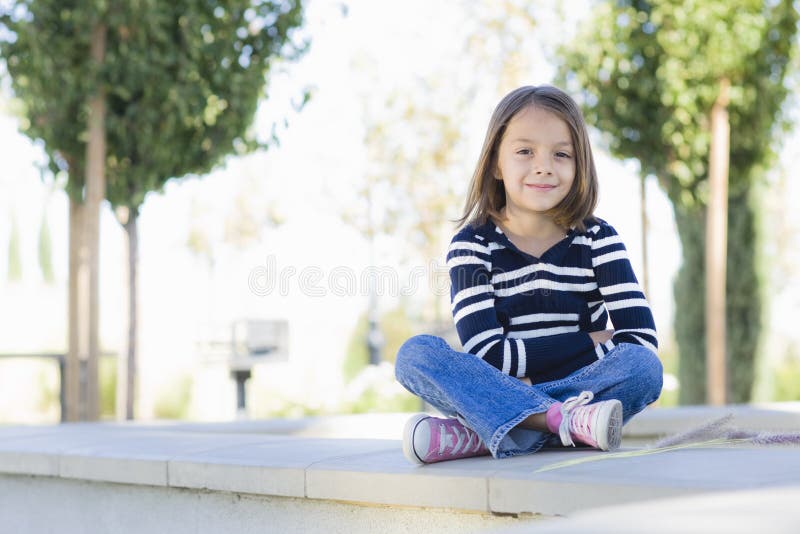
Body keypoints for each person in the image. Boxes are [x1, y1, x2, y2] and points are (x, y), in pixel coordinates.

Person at [394, 85, 663, 465]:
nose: (544, 166)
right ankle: (559, 422)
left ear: (579, 163)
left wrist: (518, 385)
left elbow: (641, 342)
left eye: (561, 153)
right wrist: (589, 341)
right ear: (495, 164)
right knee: (415, 355)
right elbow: (487, 353)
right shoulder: (472, 246)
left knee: (643, 370)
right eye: (525, 151)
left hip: (559, 391)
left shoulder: (599, 239)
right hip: (576, 403)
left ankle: (492, 428)